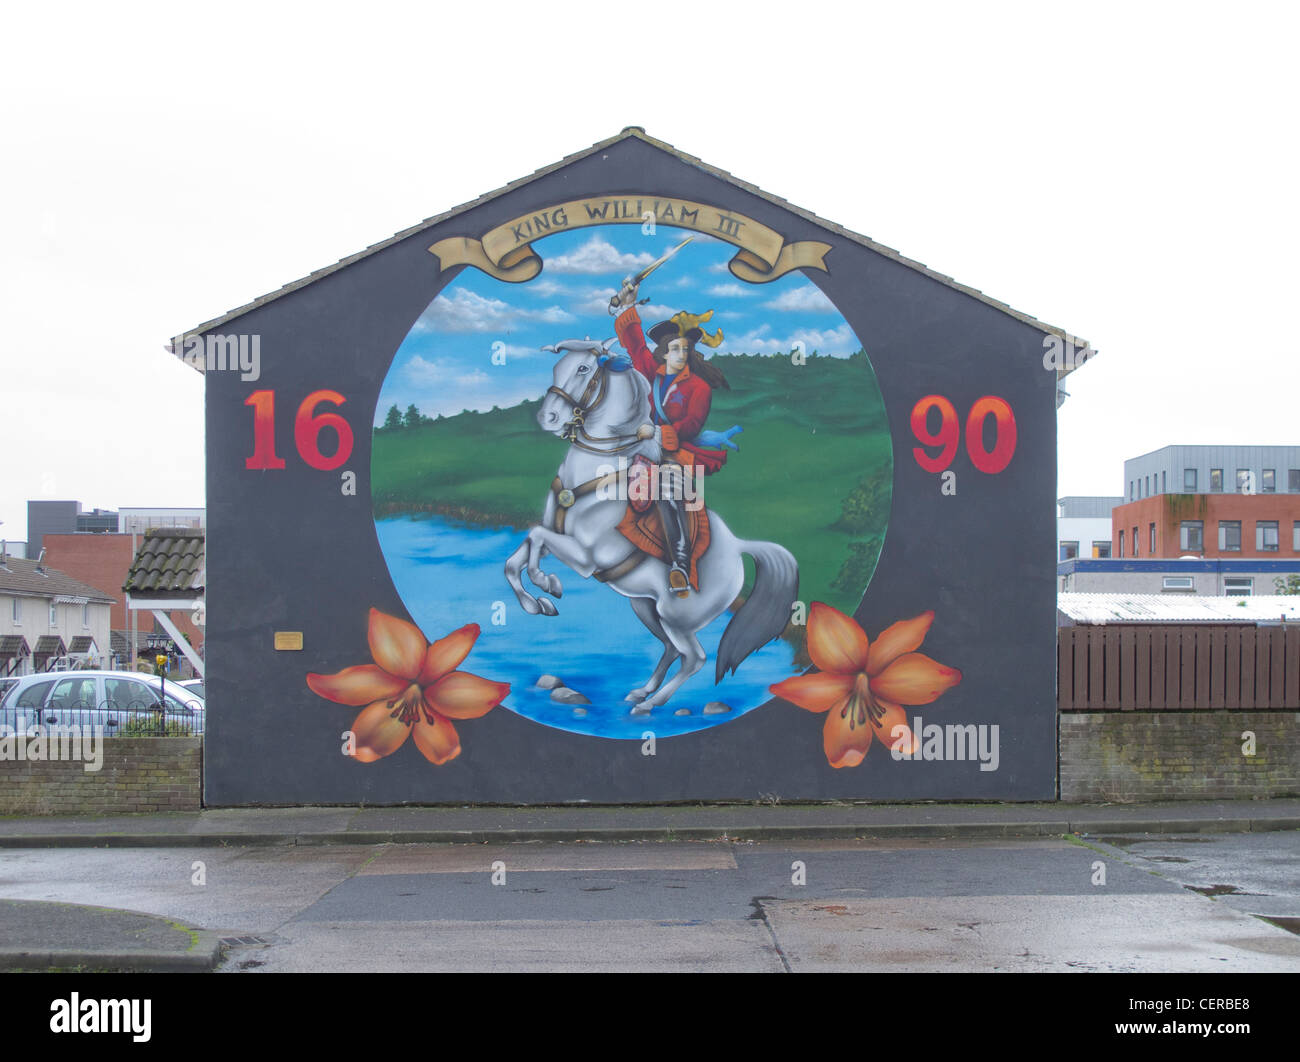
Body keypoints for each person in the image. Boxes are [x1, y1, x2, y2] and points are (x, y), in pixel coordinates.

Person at [610, 279, 736, 595]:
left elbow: (692, 424)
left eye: (685, 349)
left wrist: (657, 431)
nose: (681, 353)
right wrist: (628, 304)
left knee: (668, 490)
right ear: (664, 353)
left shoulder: (699, 388)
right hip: (644, 447)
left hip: (677, 452)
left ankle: (680, 562)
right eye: (675, 349)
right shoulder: (653, 374)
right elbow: (635, 345)